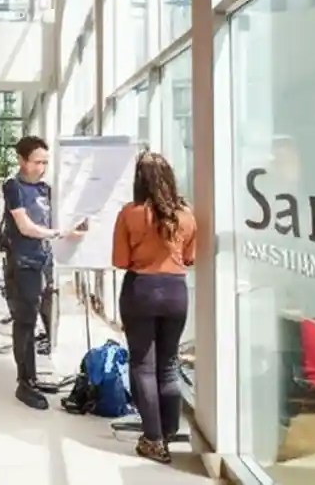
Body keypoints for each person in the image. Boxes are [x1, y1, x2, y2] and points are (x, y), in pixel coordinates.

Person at [112, 152, 196, 463]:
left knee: (143, 366)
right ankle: (170, 428)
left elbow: (120, 261)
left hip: (141, 290)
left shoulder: (130, 213)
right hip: (176, 292)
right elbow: (190, 259)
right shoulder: (186, 215)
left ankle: (153, 438)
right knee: (169, 363)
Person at [2, 136, 82, 410]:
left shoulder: (46, 190)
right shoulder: (13, 187)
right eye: (37, 162)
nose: (42, 167)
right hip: (22, 264)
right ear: (22, 160)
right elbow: (25, 226)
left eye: (45, 163)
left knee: (38, 317)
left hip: (43, 263)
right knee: (24, 321)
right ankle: (24, 382)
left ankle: (32, 377)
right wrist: (60, 234)